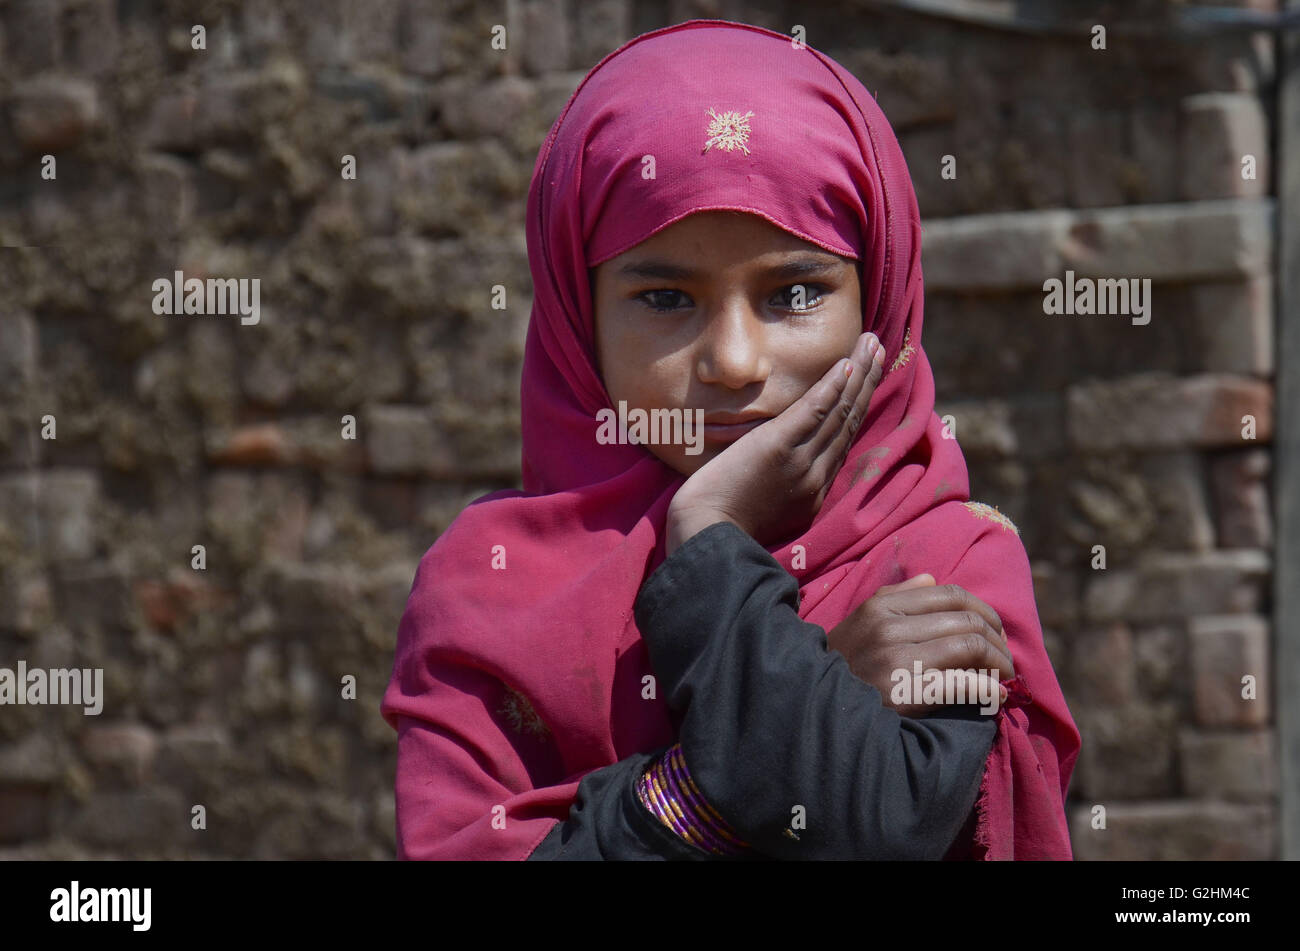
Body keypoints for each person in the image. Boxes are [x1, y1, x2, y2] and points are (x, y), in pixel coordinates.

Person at [380, 18, 1080, 861]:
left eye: (793, 293)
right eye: (667, 299)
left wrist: (707, 545)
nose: (734, 362)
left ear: (879, 298)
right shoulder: (483, 589)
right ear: (576, 315)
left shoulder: (944, 559)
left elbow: (884, 824)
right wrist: (779, 702)